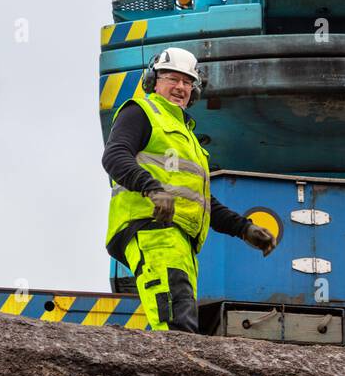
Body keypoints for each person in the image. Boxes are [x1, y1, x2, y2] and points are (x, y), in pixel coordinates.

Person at [102, 46, 277, 333]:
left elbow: (201, 199)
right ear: (153, 81)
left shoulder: (188, 136)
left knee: (175, 317)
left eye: (187, 82)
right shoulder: (142, 111)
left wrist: (243, 228)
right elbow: (114, 155)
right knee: (175, 322)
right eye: (172, 78)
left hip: (180, 240)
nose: (180, 87)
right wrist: (152, 189)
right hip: (153, 229)